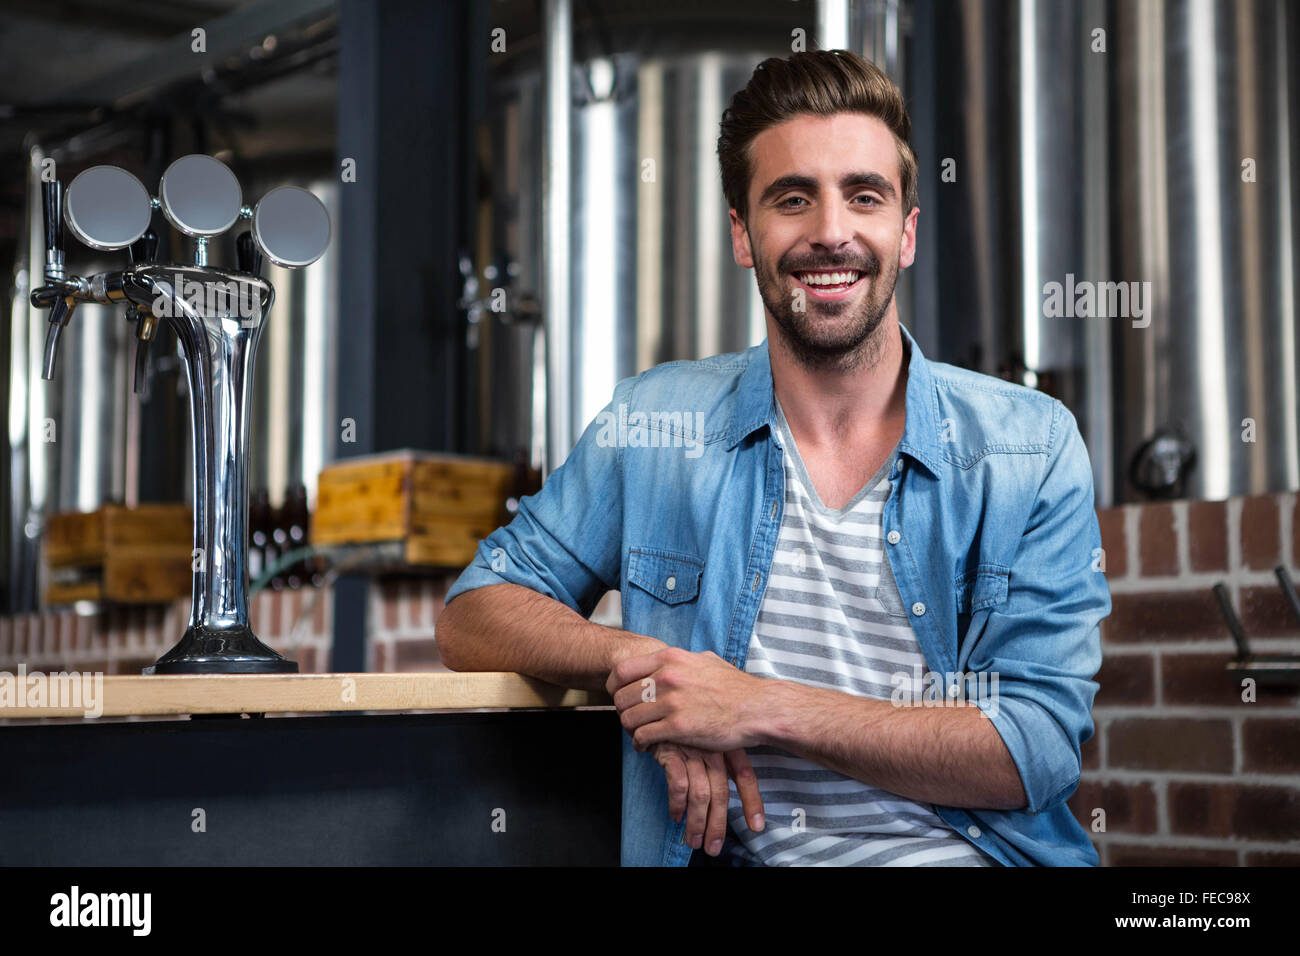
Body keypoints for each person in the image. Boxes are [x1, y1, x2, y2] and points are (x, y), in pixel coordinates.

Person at [437, 48, 1109, 867]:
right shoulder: (655, 424)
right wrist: (655, 670)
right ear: (742, 234)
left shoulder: (1028, 446)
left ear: (905, 233)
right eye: (793, 199)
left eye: (864, 196)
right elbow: (475, 610)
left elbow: (1032, 750)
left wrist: (756, 707)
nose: (831, 232)